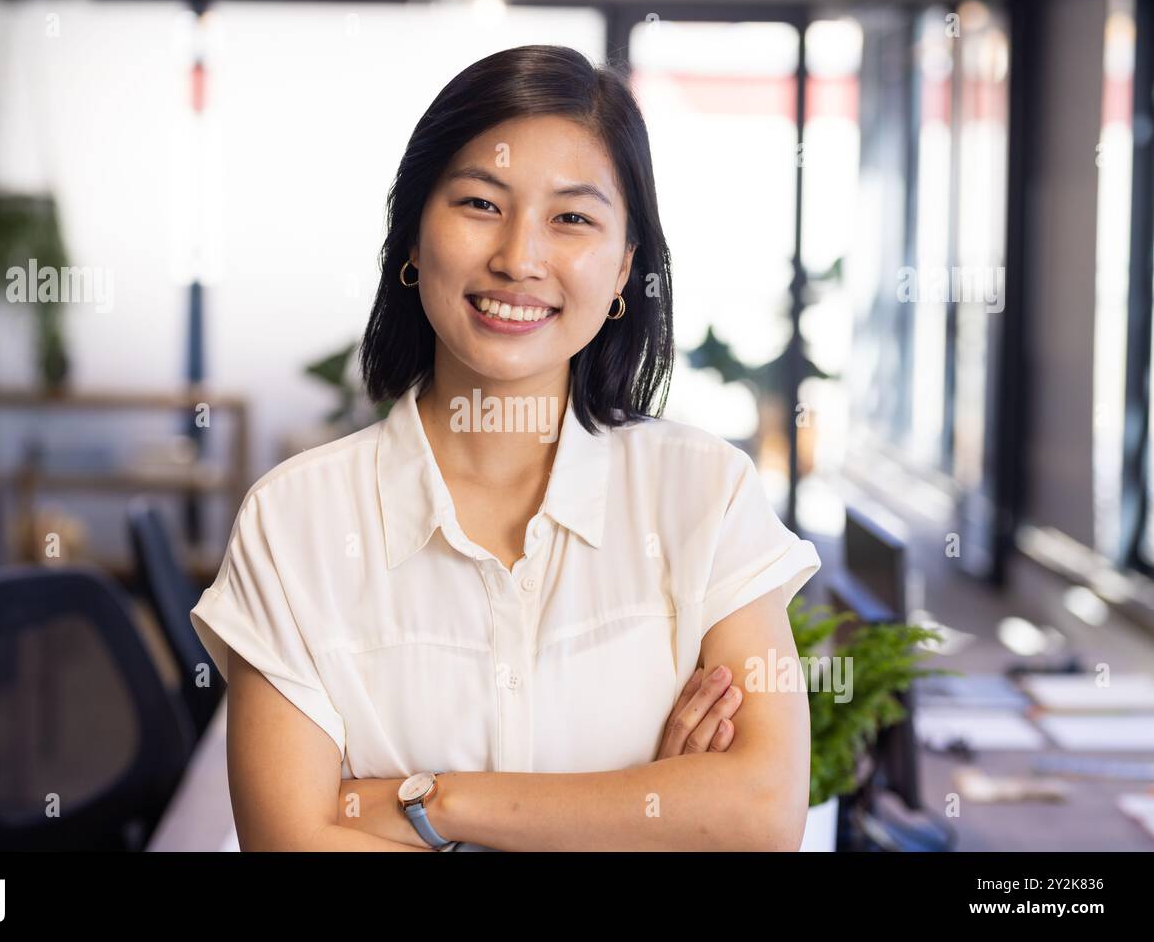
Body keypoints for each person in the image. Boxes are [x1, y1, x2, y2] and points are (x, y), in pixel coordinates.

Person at [190, 44, 821, 852]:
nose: (519, 258)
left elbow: (761, 815)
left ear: (626, 265)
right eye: (481, 203)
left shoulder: (706, 495)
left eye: (572, 218)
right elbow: (290, 841)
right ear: (413, 237)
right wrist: (644, 813)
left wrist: (429, 803)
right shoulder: (295, 522)